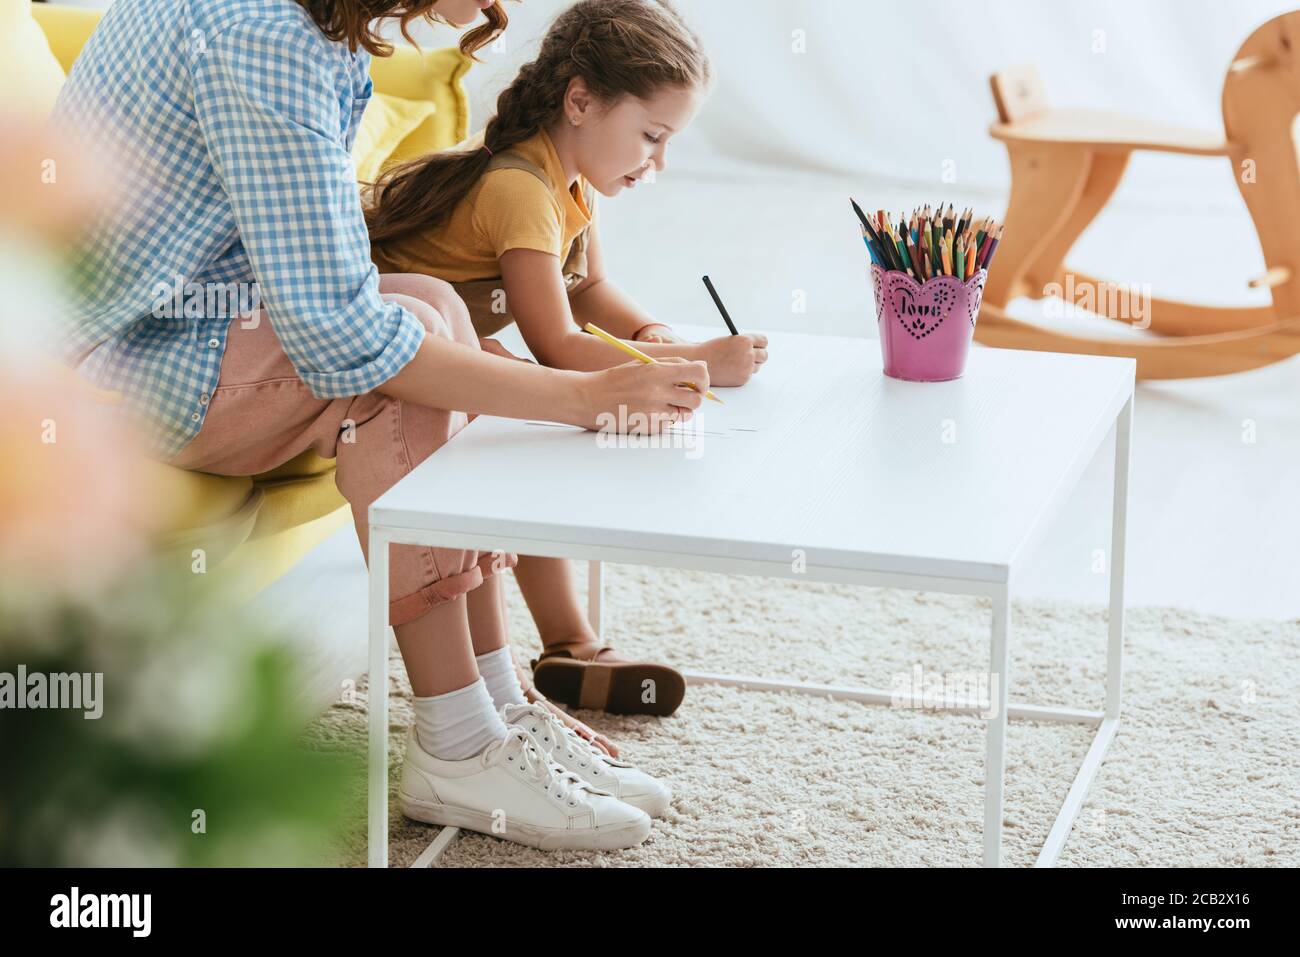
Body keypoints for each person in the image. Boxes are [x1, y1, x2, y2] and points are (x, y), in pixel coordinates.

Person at [51, 0, 710, 851]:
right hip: (120, 363)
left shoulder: (307, 27)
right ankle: (458, 744)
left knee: (433, 305)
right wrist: (581, 397)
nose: (496, 6)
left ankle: (497, 699)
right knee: (396, 373)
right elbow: (344, 337)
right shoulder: (266, 39)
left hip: (187, 320)